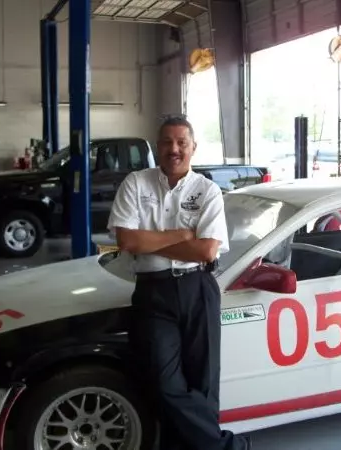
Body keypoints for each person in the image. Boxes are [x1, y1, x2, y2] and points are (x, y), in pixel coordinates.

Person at [107, 116, 251, 450]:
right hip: (152, 291)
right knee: (163, 382)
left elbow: (206, 249)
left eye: (181, 142)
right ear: (157, 147)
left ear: (193, 147)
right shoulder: (136, 183)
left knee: (203, 382)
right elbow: (127, 241)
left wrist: (153, 240)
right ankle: (228, 447)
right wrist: (181, 235)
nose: (174, 149)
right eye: (167, 142)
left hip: (197, 288)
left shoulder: (207, 190)